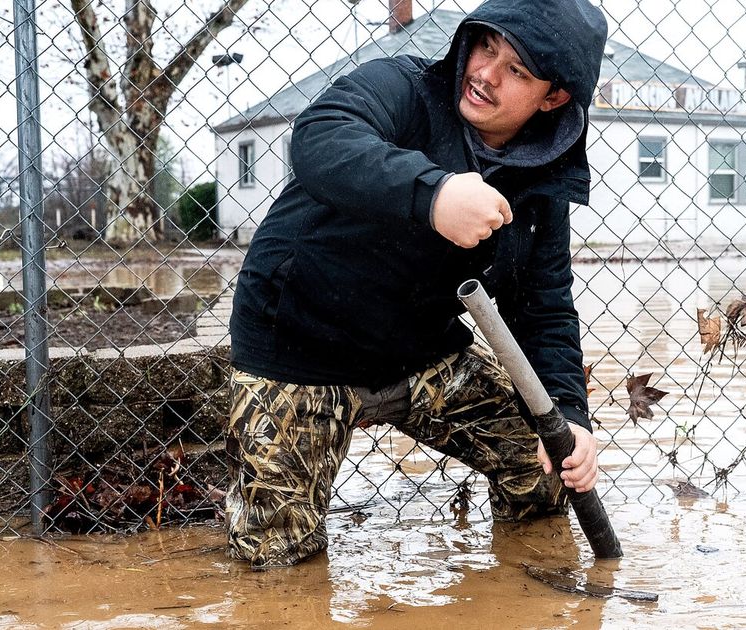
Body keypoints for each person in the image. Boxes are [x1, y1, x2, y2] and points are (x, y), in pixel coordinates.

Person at [224, 0, 609, 569]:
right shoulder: (402, 87)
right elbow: (320, 138)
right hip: (298, 347)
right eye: (486, 47)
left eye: (517, 70)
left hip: (421, 353)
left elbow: (544, 306)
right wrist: (434, 195)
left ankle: (520, 585)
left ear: (553, 97)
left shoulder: (542, 177)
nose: (485, 73)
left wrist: (571, 414)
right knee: (277, 566)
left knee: (546, 469)